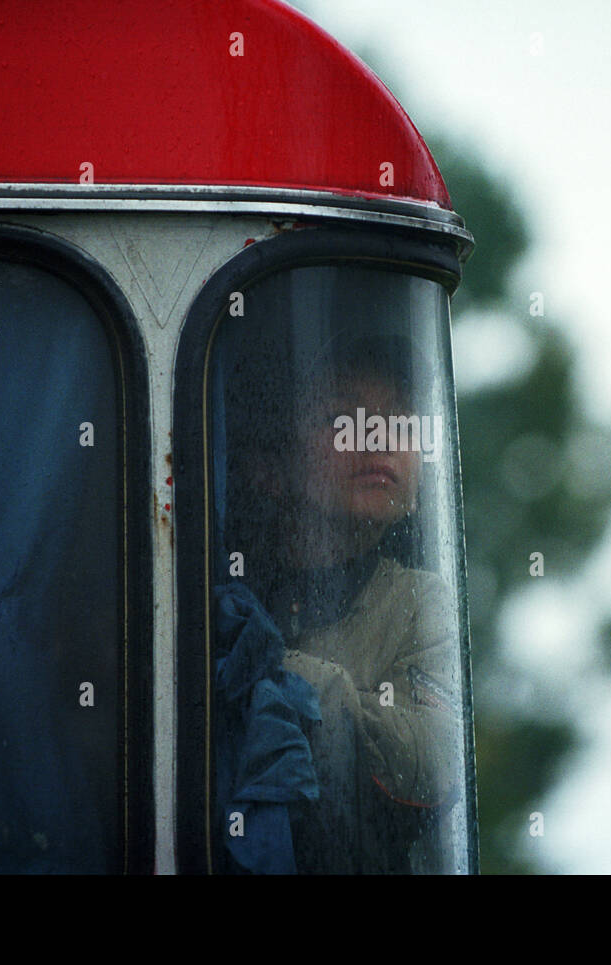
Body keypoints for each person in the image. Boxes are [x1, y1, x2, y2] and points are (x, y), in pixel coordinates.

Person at [216, 334, 463, 873]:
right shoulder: (212, 589)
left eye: (401, 423)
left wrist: (296, 685)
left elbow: (434, 763)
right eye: (340, 419)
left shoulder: (417, 600)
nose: (377, 437)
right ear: (269, 469)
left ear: (421, 486)